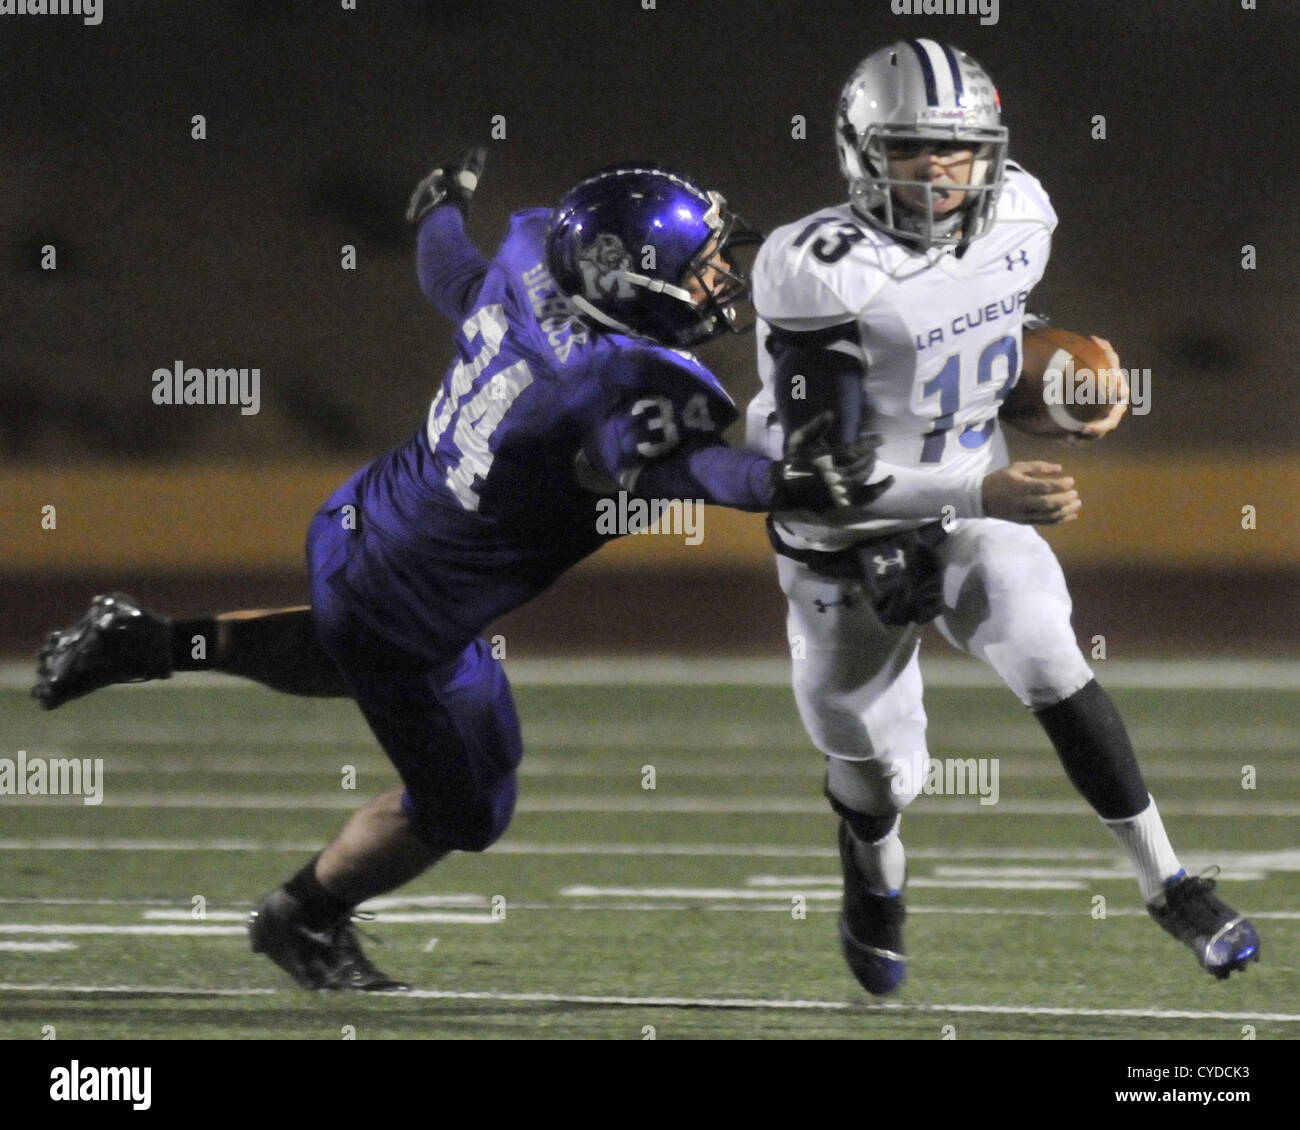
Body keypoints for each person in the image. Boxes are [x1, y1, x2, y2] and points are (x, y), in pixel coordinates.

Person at [32, 152, 884, 991]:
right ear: (629, 285)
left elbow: (454, 279)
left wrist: (437, 209)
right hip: (414, 602)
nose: (720, 282)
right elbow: (685, 471)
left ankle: (149, 645)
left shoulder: (532, 259)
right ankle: (304, 915)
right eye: (699, 272)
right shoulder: (616, 380)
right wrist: (783, 482)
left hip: (361, 524)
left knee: (356, 652)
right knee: (470, 806)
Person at [744, 39, 1259, 993]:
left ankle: (1171, 886)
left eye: (957, 149)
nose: (937, 169)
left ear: (991, 150)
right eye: (909, 148)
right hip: (840, 540)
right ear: (860, 150)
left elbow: (980, 328)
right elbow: (825, 476)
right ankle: (874, 869)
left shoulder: (1022, 210)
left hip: (970, 503)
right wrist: (983, 490)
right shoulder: (821, 267)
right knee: (881, 776)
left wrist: (1056, 384)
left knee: (1049, 654)